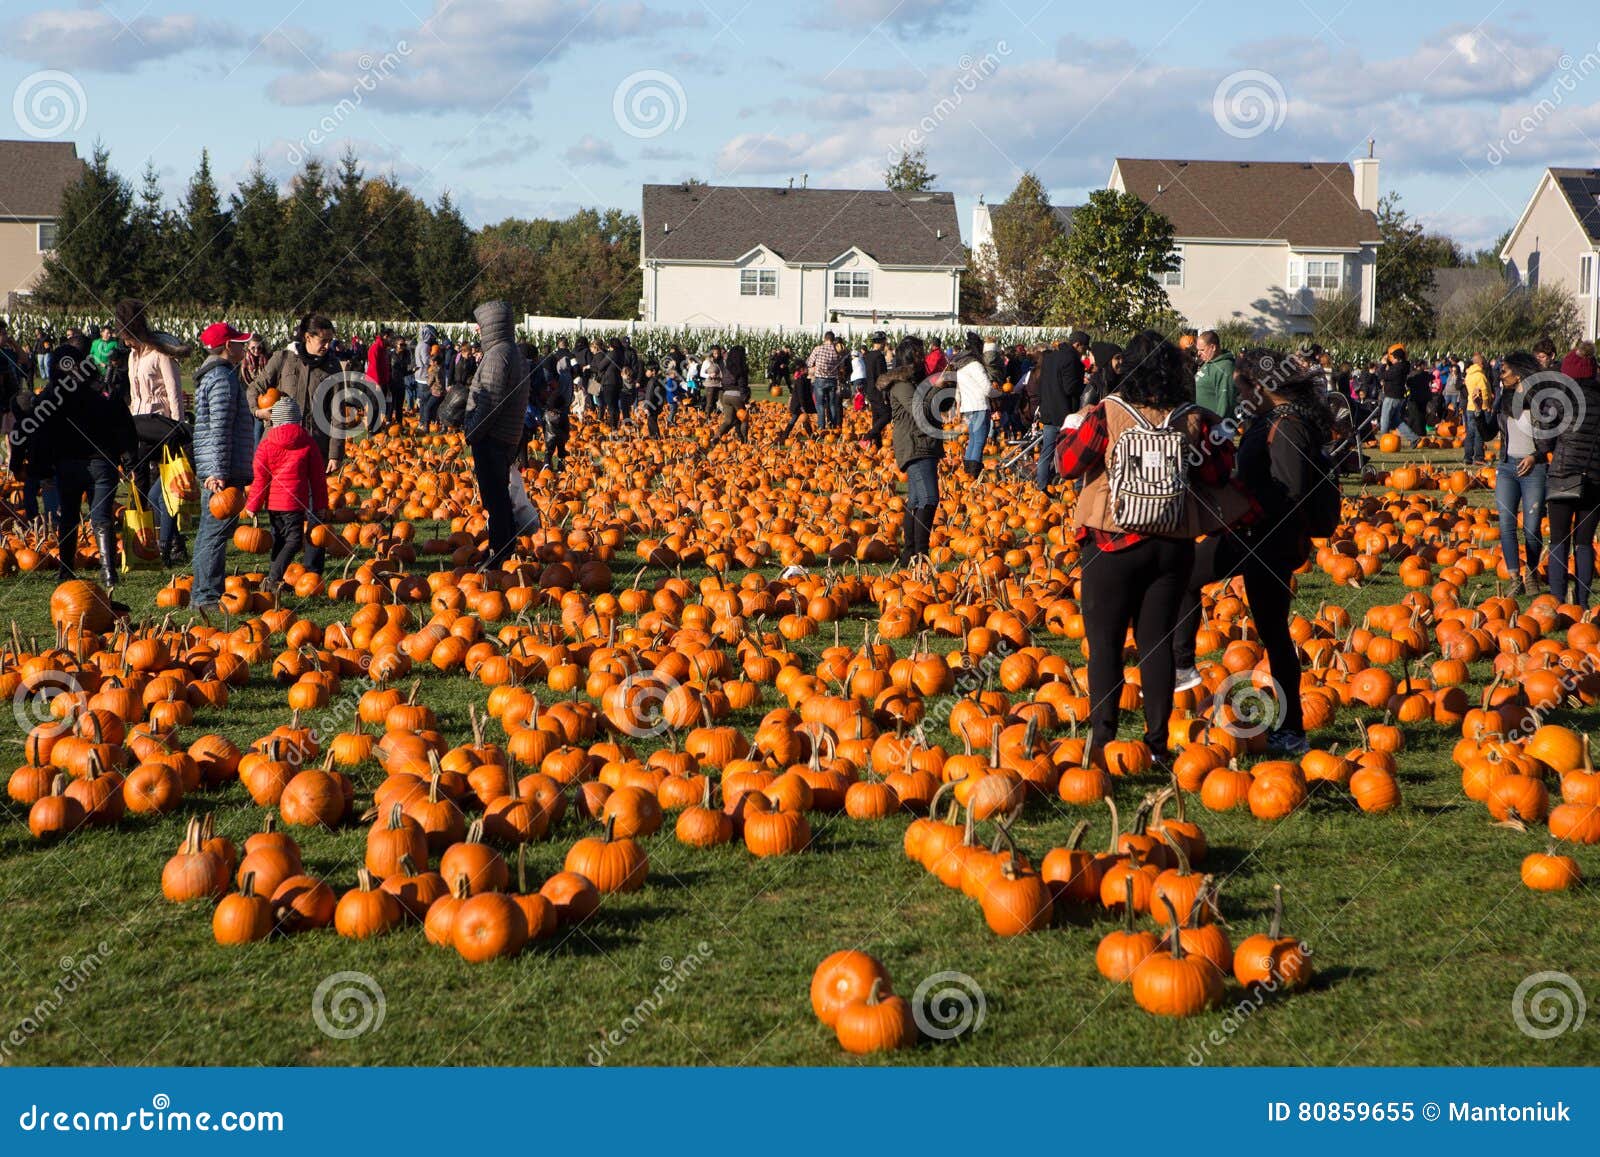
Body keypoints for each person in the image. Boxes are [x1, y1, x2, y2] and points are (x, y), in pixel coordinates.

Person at [1055, 331, 1242, 762]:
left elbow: (1067, 464)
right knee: (1156, 643)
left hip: (1111, 539)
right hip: (1172, 541)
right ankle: (1157, 744)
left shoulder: (1108, 413)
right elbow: (1219, 471)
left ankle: (1104, 741)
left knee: (1105, 646)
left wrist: (1074, 424)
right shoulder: (1195, 418)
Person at [1174, 349, 1336, 756]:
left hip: (1268, 540)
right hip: (1250, 533)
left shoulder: (1288, 427)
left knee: (1274, 633)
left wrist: (1240, 497)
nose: (1239, 397)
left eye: (1243, 388)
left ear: (1260, 387)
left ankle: (1292, 727)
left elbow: (1290, 491)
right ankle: (1182, 665)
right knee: (1186, 575)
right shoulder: (1272, 421)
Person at [31, 349, 136, 587]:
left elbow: (41, 435)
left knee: (68, 516)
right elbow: (124, 426)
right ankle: (108, 572)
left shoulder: (53, 396)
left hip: (68, 463)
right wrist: (129, 460)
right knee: (101, 517)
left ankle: (66, 569)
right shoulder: (104, 391)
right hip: (103, 462)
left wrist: (42, 470)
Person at [118, 298, 192, 568]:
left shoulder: (160, 354)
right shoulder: (132, 356)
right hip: (138, 425)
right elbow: (134, 395)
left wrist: (179, 427)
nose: (124, 341)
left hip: (162, 426)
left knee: (166, 487)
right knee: (139, 483)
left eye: (127, 336)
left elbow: (174, 392)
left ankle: (169, 543)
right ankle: (149, 540)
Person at [189, 324, 256, 614]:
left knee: (210, 531)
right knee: (215, 533)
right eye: (240, 343)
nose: (244, 348)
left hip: (220, 466)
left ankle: (200, 593)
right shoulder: (222, 378)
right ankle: (206, 596)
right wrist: (217, 471)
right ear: (228, 346)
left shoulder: (214, 374)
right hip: (222, 470)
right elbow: (219, 428)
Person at [465, 301, 530, 567]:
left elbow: (490, 401)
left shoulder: (497, 356)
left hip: (492, 438)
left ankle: (500, 550)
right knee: (498, 495)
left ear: (489, 326)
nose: (478, 332)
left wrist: (472, 431)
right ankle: (501, 546)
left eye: (480, 327)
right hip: (506, 436)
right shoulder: (511, 352)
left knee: (495, 498)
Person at [245, 396, 328, 597]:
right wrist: (320, 505)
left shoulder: (265, 445)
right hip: (295, 504)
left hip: (274, 505)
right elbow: (317, 478)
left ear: (274, 421)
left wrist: (253, 505)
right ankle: (273, 578)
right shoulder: (307, 442)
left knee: (281, 540)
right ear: (298, 420)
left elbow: (260, 479)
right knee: (294, 540)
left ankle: (275, 579)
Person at [1495, 350, 1555, 594]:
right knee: (1506, 524)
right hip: (1507, 466)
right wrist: (1478, 411)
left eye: (1505, 371)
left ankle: (1531, 573)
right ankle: (1514, 578)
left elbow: (1549, 439)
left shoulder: (1540, 400)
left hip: (1534, 469)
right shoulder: (1504, 399)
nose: (1501, 375)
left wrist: (1535, 456)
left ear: (1518, 374)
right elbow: (1489, 431)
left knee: (1531, 527)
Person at [1546, 342, 1600, 604]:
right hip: (1595, 478)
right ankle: (1582, 601)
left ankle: (1557, 599)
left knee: (1558, 539)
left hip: (1563, 475)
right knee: (1584, 542)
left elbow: (1545, 435)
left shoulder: (1561, 398)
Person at [885, 335, 941, 566]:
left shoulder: (916, 382)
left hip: (923, 443)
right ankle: (919, 553)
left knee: (918, 499)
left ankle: (911, 555)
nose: (923, 358)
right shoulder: (902, 385)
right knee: (928, 497)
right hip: (915, 444)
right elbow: (920, 409)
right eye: (919, 354)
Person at [1034, 331, 1090, 491]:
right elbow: (1070, 387)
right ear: (1077, 344)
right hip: (1065, 412)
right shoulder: (1071, 359)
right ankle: (1079, 486)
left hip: (1048, 410)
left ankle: (1041, 485)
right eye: (1084, 348)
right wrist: (1085, 386)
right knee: (1076, 450)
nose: (1084, 353)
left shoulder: (1050, 358)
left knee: (1047, 452)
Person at [952, 331, 991, 478]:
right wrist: (999, 393)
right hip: (979, 406)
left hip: (968, 407)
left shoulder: (961, 366)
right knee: (979, 441)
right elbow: (986, 388)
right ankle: (973, 473)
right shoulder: (975, 365)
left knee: (973, 440)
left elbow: (958, 389)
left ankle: (968, 472)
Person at [707, 344, 752, 449]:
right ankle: (744, 442)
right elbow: (742, 385)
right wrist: (746, 400)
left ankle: (715, 438)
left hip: (726, 396)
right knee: (743, 419)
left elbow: (724, 382)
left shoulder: (727, 368)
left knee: (728, 420)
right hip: (737, 396)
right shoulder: (741, 368)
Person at [1193, 330, 1236, 420]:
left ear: (1213, 347)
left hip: (1215, 425)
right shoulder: (1209, 362)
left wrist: (1219, 425)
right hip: (1202, 421)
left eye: (1202, 350)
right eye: (1198, 350)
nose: (1198, 353)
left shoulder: (1225, 367)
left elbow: (1225, 399)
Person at [808, 332, 842, 432]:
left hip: (820, 379)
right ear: (833, 339)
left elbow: (810, 363)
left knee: (820, 404)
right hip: (832, 380)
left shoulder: (818, 349)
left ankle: (821, 426)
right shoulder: (837, 350)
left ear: (825, 338)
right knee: (832, 404)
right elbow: (841, 365)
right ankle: (833, 426)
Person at [778, 362, 817, 444]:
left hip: (801, 404)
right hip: (798, 405)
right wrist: (802, 406)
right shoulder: (800, 381)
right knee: (794, 420)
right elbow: (800, 395)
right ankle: (785, 435)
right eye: (807, 368)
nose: (808, 369)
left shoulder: (804, 379)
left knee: (805, 420)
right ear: (802, 370)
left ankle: (811, 435)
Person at [1463, 353, 1491, 465]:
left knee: (1470, 433)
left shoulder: (1469, 374)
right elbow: (1483, 392)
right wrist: (1487, 405)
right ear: (1480, 363)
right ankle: (1479, 457)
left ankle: (1468, 456)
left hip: (1470, 406)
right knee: (1480, 432)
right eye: (1483, 362)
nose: (1484, 364)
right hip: (1479, 407)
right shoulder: (1480, 376)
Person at [1378, 344, 1409, 435]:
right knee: (1396, 421)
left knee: (1384, 420)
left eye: (1393, 358)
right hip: (1398, 396)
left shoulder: (1397, 368)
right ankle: (1414, 438)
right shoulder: (1404, 365)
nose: (1392, 359)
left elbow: (1382, 376)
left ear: (1398, 358)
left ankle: (1384, 438)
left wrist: (1383, 365)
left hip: (1391, 396)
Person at [1084, 342, 1123, 408]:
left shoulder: (1123, 382)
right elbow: (1084, 414)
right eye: (1117, 358)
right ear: (1107, 362)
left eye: (1122, 357)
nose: (1121, 361)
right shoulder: (1094, 387)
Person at [366, 327, 393, 421]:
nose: (392, 340)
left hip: (383, 382)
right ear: (385, 336)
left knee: (381, 405)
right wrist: (376, 383)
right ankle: (371, 429)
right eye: (391, 337)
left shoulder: (384, 349)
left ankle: (377, 427)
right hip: (375, 382)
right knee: (374, 405)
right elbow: (373, 366)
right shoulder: (375, 347)